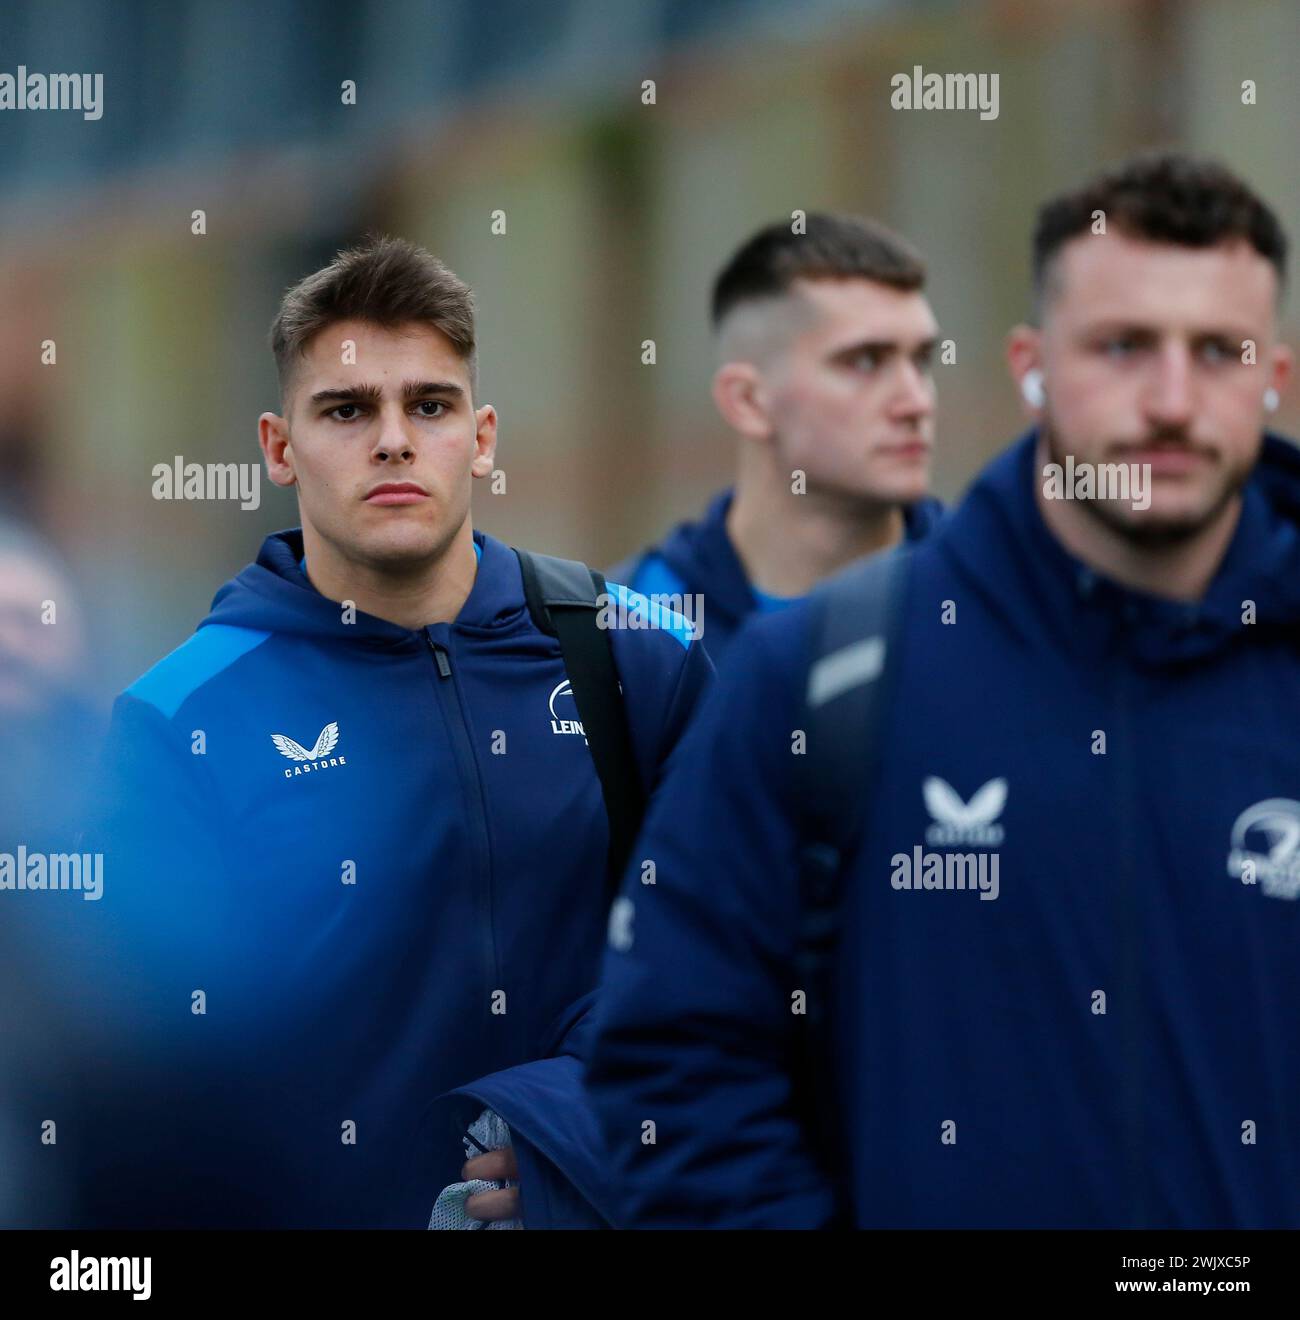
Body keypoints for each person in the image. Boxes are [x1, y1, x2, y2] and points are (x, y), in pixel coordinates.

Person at [586, 151, 1300, 1227]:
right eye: (1120, 347)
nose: (1169, 400)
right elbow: (675, 1072)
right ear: (1033, 365)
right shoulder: (820, 680)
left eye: (1217, 352)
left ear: (1274, 377)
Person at [74, 236, 711, 1228]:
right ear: (279, 448)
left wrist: (562, 1134)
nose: (394, 440)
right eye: (345, 409)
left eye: (429, 405)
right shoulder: (178, 720)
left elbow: (746, 960)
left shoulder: (637, 655)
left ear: (483, 436)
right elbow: (139, 1088)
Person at [608, 213, 944, 665]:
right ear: (747, 401)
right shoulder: (629, 625)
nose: (916, 402)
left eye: (922, 360)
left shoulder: (993, 593)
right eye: (865, 361)